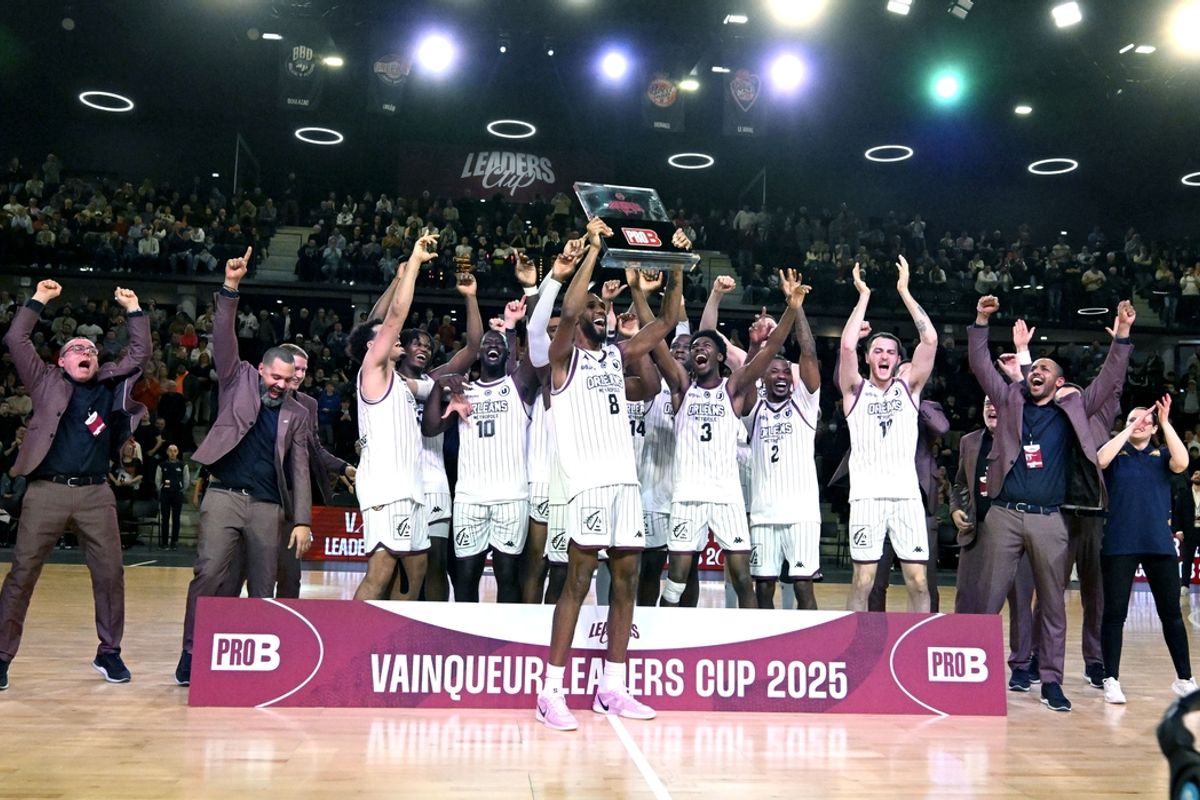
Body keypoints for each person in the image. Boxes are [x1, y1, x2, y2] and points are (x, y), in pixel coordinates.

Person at [535, 218, 682, 732]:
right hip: (588, 487)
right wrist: (595, 250)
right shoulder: (561, 360)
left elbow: (666, 323)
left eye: (605, 308)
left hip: (625, 485)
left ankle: (611, 687)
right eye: (594, 309)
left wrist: (674, 268)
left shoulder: (618, 358)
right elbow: (570, 308)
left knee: (627, 582)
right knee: (575, 583)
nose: (600, 313)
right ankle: (550, 691)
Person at [968, 295, 1134, 712]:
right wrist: (981, 321)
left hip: (1050, 520)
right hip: (1005, 514)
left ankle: (1052, 682)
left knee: (1054, 605)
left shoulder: (1071, 410)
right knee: (988, 599)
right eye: (1033, 367)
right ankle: (975, 676)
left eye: (1045, 368)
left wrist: (1123, 336)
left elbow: (1110, 378)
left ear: (1059, 383)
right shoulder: (1010, 400)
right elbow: (980, 365)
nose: (1036, 371)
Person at [0, 280, 149, 690]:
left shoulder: (107, 384)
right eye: (76, 350)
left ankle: (109, 653)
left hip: (95, 493)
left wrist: (134, 309)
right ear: (61, 361)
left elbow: (140, 354)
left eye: (91, 350)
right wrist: (39, 300)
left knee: (110, 574)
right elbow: (16, 337)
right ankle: (1, 655)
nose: (85, 354)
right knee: (23, 572)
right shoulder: (44, 380)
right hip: (46, 490)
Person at [175, 248, 314, 687]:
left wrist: (303, 520)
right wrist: (230, 288)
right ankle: (192, 653)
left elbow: (300, 468)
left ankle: (255, 659)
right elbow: (222, 336)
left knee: (261, 587)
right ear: (260, 370)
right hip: (223, 496)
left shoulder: (298, 411)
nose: (279, 385)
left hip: (269, 508)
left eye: (286, 379)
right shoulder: (236, 380)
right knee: (210, 572)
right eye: (274, 377)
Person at [655, 272, 805, 610]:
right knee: (676, 581)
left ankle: (747, 648)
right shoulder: (682, 388)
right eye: (694, 347)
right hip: (687, 494)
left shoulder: (733, 389)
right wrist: (649, 289)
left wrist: (791, 309)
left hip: (727, 497)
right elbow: (657, 344)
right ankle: (665, 645)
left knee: (742, 580)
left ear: (721, 357)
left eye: (706, 346)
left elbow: (770, 353)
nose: (698, 349)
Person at [373, 270, 481, 602]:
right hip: (396, 482)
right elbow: (374, 326)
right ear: (399, 348)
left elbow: (474, 345)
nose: (424, 348)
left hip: (433, 481)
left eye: (428, 345)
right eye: (416, 343)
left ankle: (434, 634)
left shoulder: (438, 378)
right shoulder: (385, 378)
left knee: (434, 565)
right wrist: (396, 280)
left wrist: (470, 296)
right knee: (391, 567)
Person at [837, 257, 938, 613]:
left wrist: (904, 292)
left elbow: (930, 338)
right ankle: (857, 653)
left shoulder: (908, 389)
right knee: (862, 582)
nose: (884, 356)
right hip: (866, 499)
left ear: (898, 360)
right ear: (869, 359)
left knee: (918, 582)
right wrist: (862, 295)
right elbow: (847, 347)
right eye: (877, 351)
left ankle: (917, 648)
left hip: (906, 499)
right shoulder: (854, 391)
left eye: (891, 352)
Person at [423, 301, 540, 603]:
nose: (492, 345)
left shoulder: (519, 386)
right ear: (478, 353)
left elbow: (533, 354)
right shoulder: (463, 390)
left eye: (498, 343)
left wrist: (514, 326)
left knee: (508, 576)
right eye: (486, 342)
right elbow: (431, 429)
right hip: (469, 499)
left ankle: (508, 645)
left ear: (507, 352)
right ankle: (468, 645)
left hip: (511, 498)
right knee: (465, 578)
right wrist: (439, 390)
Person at [348, 234, 443, 602]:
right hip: (387, 489)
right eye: (386, 336)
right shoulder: (372, 372)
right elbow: (390, 317)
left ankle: (393, 643)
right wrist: (414, 265)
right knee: (383, 568)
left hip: (411, 488)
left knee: (415, 570)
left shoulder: (400, 382)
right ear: (374, 347)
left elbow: (376, 323)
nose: (396, 336)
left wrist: (397, 278)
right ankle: (354, 654)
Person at [1096, 396, 1195, 704]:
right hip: (1119, 543)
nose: (1139, 424)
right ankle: (1110, 678)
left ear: (1153, 428)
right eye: (1131, 421)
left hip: (1158, 543)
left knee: (1171, 615)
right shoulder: (1117, 452)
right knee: (1114, 614)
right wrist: (1129, 428)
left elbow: (1183, 463)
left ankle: (1184, 679)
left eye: (1144, 421)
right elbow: (1100, 459)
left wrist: (1164, 422)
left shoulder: (1162, 454)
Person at [746, 280, 822, 610]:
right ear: (764, 378)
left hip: (802, 514)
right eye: (772, 371)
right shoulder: (754, 409)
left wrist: (797, 307)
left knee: (804, 588)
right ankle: (765, 652)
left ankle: (809, 654)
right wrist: (755, 347)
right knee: (764, 589)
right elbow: (746, 376)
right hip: (763, 514)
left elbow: (808, 352)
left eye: (784, 373)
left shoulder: (805, 405)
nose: (780, 376)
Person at [156, 444, 189, 550]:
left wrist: (181, 490)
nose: (172, 453)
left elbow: (186, 480)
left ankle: (174, 542)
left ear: (178, 452)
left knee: (176, 519)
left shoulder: (183, 465)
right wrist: (161, 488)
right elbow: (158, 480)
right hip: (165, 495)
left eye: (175, 451)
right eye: (170, 451)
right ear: (167, 452)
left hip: (177, 494)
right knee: (164, 519)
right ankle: (164, 542)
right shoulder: (161, 465)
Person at [1177, 471, 1200, 595]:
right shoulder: (1184, 494)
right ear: (1191, 477)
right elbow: (1178, 513)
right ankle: (1185, 585)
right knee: (1187, 559)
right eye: (1195, 473)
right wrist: (1179, 530)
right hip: (1189, 531)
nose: (1197, 475)